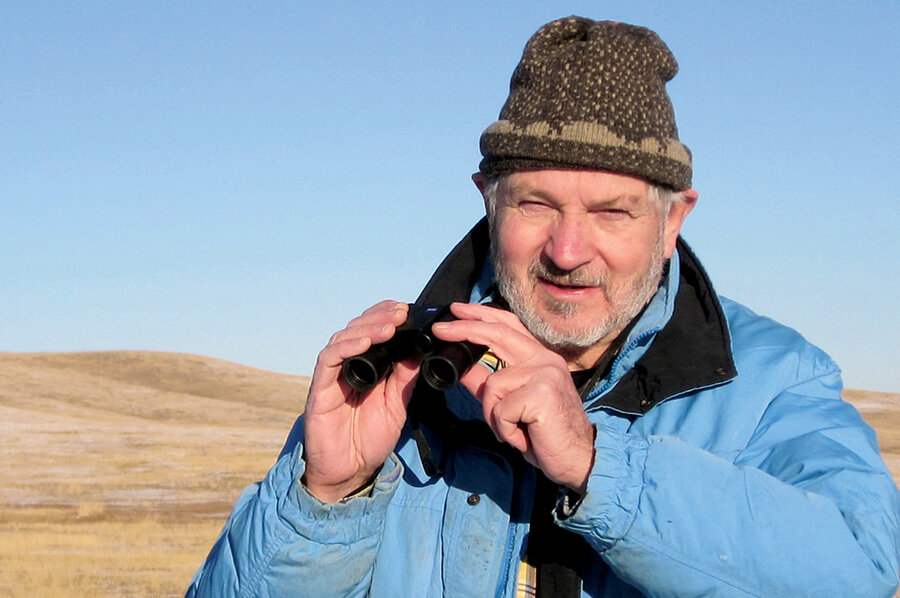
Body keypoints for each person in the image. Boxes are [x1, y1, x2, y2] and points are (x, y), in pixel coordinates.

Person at [186, 17, 900, 597]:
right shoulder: (393, 383)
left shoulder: (773, 381)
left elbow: (862, 568)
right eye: (535, 204)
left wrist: (596, 464)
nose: (567, 250)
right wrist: (323, 499)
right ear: (488, 202)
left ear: (673, 221)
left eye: (612, 212)